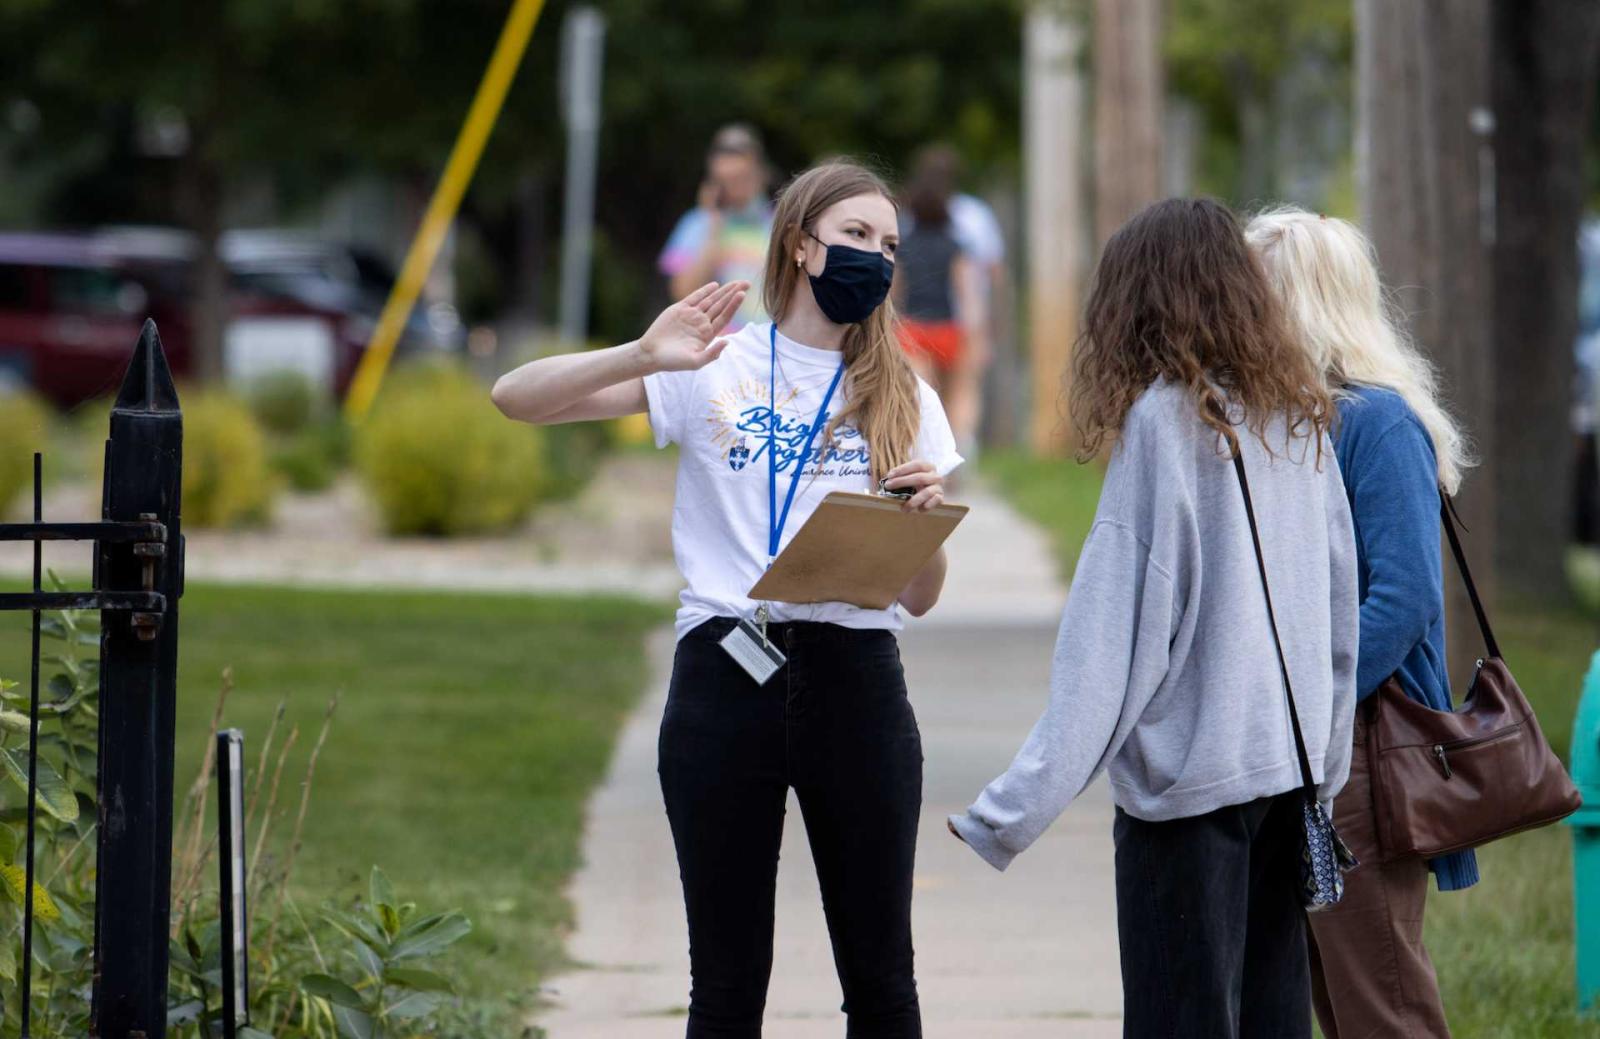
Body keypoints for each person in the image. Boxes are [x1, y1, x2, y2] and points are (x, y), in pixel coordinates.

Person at [492, 158, 963, 1038]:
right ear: (801, 244)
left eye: (890, 244)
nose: (877, 257)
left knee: (884, 983)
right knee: (725, 986)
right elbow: (513, 398)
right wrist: (641, 351)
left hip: (857, 678)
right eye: (856, 235)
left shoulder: (905, 394)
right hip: (724, 671)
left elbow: (922, 597)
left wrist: (924, 525)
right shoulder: (712, 365)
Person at [948, 197, 1358, 1039]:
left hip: (1188, 801)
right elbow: (1337, 615)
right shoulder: (1301, 415)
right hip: (1287, 784)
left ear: (1136, 303)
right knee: (1272, 1021)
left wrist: (1008, 813)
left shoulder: (1163, 425)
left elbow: (1107, 650)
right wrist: (1324, 762)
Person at [1246, 206, 1477, 1038]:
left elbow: (1405, 599)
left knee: (1383, 1006)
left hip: (1365, 749)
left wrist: (1305, 702)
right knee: (1332, 1001)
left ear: (1299, 303)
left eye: (1252, 295)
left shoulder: (1376, 422)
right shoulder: (1296, 421)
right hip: (1314, 748)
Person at [893, 147, 989, 456]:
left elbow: (893, 294)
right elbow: (968, 295)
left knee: (921, 395)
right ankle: (960, 445)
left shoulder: (902, 247)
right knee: (960, 392)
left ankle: (923, 453)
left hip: (912, 329)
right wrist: (976, 335)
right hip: (948, 328)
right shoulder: (955, 246)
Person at [658, 123, 773, 330]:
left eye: (742, 177)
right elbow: (682, 293)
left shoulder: (778, 224)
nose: (737, 188)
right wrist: (713, 230)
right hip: (718, 347)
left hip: (766, 347)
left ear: (759, 173)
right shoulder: (696, 224)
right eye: (727, 180)